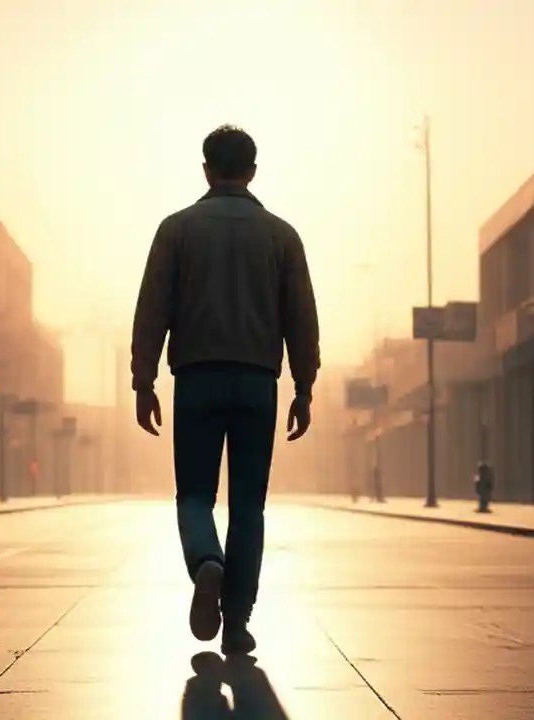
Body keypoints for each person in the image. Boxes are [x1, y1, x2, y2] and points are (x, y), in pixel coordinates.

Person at [131, 125, 321, 656]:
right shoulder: (282, 236)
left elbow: (152, 312)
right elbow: (301, 320)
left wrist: (143, 381)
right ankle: (236, 622)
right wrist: (303, 387)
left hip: (195, 380)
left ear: (206, 169)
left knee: (194, 494)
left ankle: (206, 564)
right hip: (258, 384)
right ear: (253, 171)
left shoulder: (176, 230)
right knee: (248, 507)